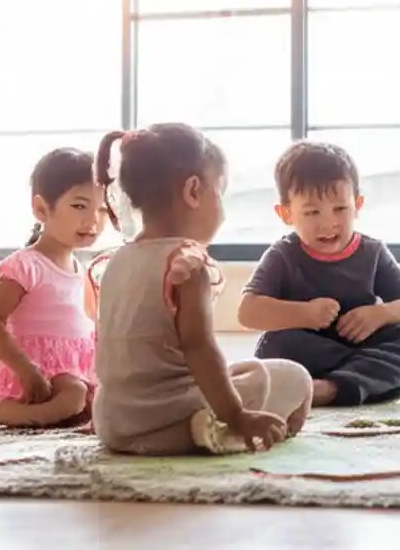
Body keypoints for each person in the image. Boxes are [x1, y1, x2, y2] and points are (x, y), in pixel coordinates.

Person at [91, 123, 312, 455]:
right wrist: (236, 414)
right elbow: (200, 348)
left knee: (235, 371)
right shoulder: (186, 265)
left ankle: (200, 429)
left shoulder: (114, 261)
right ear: (193, 191)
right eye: (219, 193)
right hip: (168, 419)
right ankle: (217, 430)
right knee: (294, 377)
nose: (221, 209)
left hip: (113, 424)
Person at [241, 140, 400, 407]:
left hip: (363, 345)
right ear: (286, 214)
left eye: (340, 208)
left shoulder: (372, 251)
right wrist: (305, 314)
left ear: (357, 205)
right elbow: (248, 312)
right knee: (274, 345)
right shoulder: (282, 254)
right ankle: (376, 382)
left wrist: (379, 314)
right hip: (309, 351)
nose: (328, 223)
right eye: (312, 212)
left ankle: (327, 389)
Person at [0, 148, 105, 428]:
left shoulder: (82, 268)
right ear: (42, 209)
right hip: (33, 370)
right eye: (80, 206)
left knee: (92, 395)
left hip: (71, 370)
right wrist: (26, 369)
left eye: (102, 209)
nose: (93, 220)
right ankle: (8, 411)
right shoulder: (26, 265)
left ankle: (61, 412)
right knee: (75, 394)